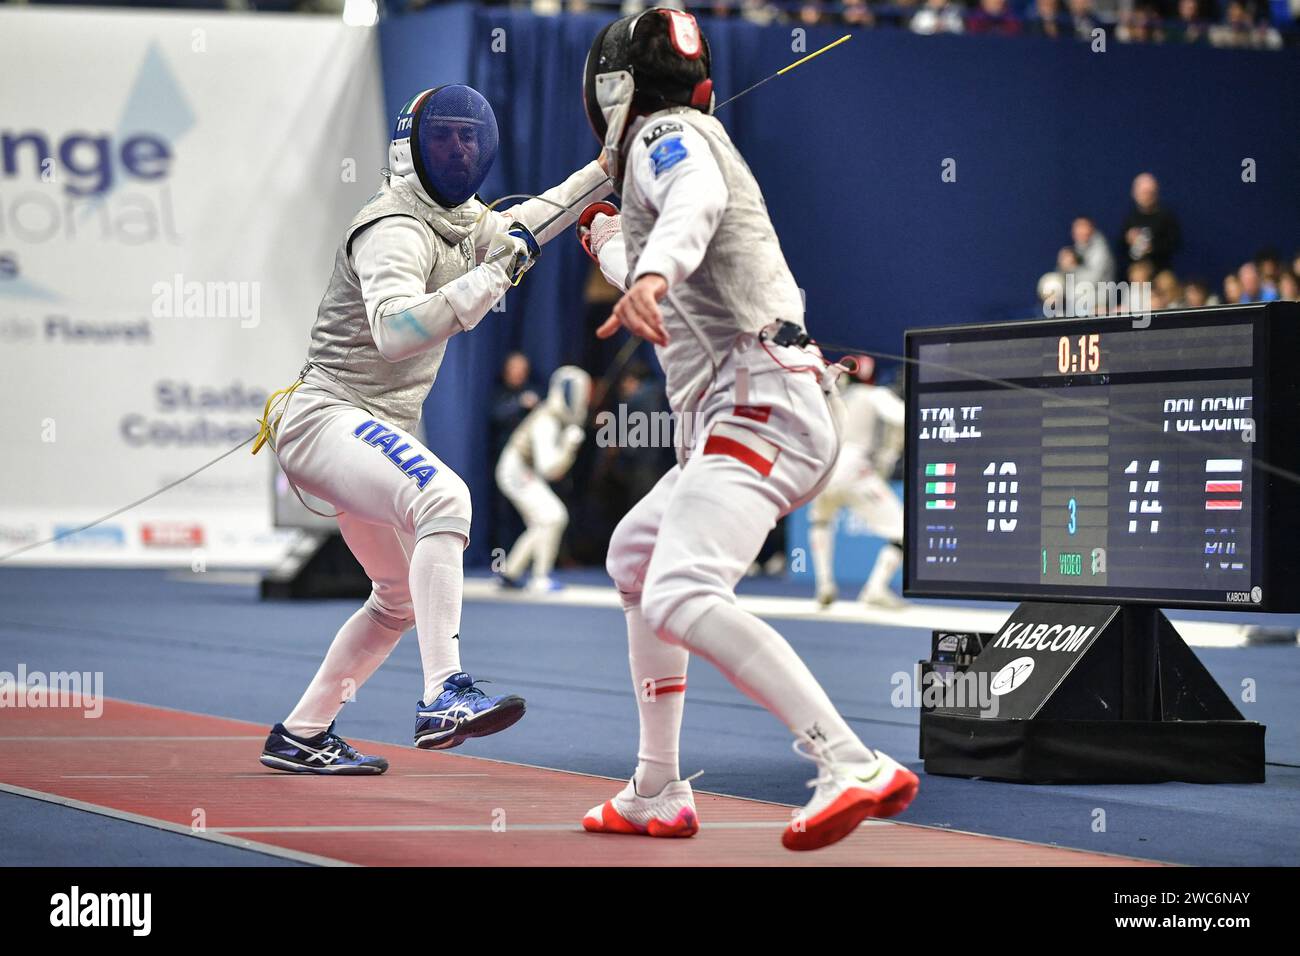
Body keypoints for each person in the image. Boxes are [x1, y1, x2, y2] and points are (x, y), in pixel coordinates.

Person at [575, 8, 918, 851]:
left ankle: (849, 762)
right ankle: (657, 788)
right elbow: (684, 261)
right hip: (753, 405)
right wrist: (611, 246)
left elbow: (696, 200)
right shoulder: (676, 139)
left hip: (758, 401)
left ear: (615, 91)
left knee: (682, 592)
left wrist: (646, 268)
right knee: (636, 555)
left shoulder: (669, 136)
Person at [256, 85, 610, 773]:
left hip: (374, 429)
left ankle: (301, 733)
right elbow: (394, 332)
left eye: (468, 137)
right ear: (409, 147)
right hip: (327, 417)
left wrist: (605, 167)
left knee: (395, 601)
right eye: (444, 135)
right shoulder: (392, 227)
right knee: (444, 497)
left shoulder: (462, 221)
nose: (458, 148)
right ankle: (444, 692)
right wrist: (488, 281)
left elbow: (526, 225)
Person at [808, 355, 907, 611]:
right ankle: (875, 588)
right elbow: (902, 416)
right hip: (855, 472)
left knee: (821, 521)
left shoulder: (834, 398)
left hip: (825, 469)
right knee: (903, 533)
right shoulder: (874, 394)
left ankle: (824, 585)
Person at [495, 366, 592, 591]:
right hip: (517, 470)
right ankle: (540, 578)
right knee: (553, 517)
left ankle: (510, 572)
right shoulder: (547, 420)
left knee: (544, 520)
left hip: (522, 469)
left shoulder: (557, 418)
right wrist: (569, 447)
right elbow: (549, 468)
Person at [1120, 173, 1181, 273]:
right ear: (1135, 194)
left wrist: (1152, 247)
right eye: (1143, 193)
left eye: (1150, 193)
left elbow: (1174, 243)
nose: (1147, 197)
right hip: (1135, 270)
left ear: (1156, 193)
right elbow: (1121, 248)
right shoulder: (1130, 218)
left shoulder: (1166, 217)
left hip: (1160, 269)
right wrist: (1127, 239)